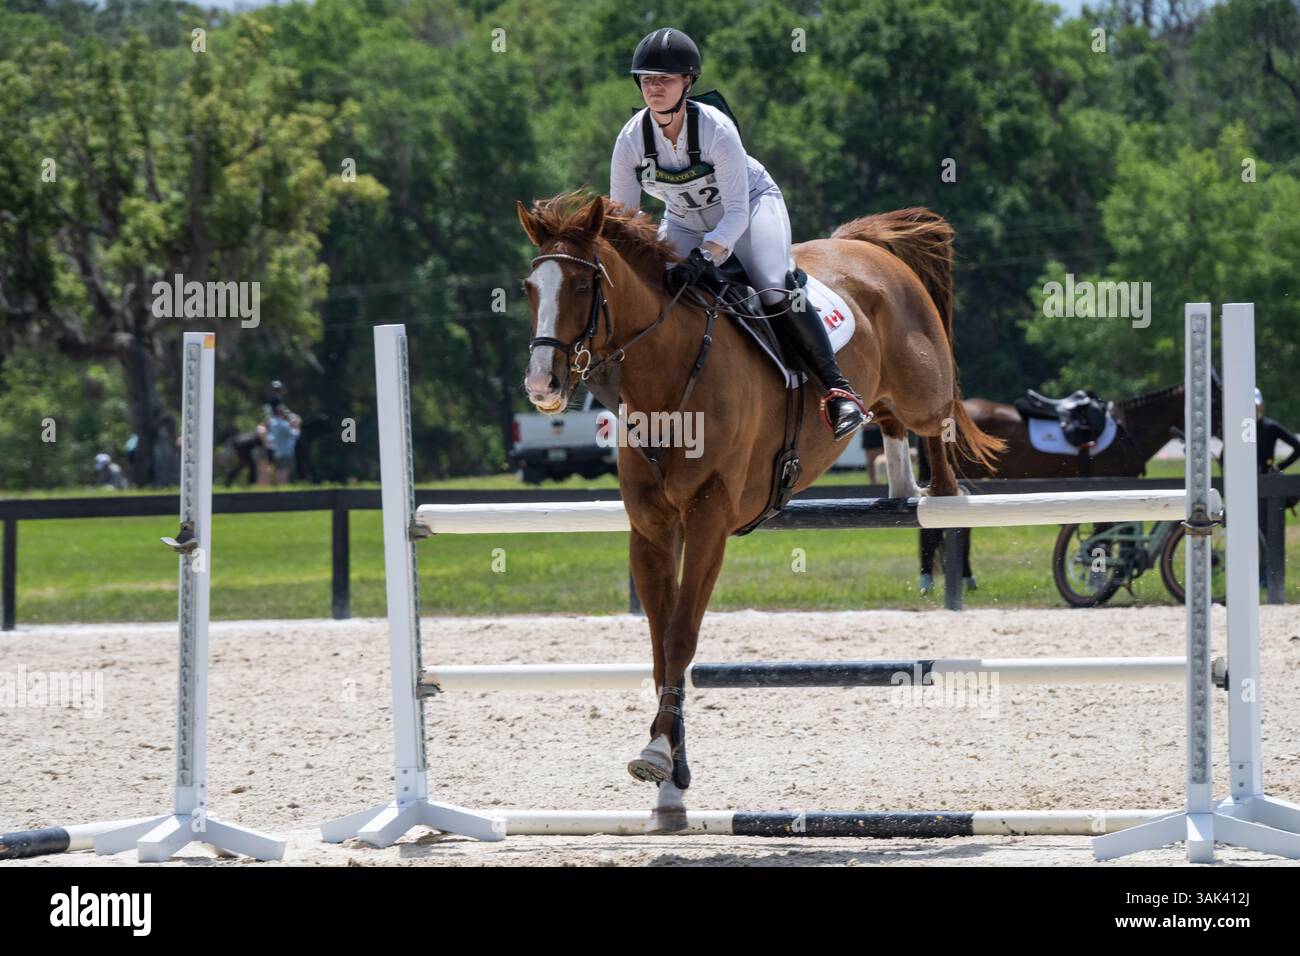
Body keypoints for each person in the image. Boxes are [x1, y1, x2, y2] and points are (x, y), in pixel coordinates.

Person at [609, 27, 865, 439]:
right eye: (647, 79)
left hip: (749, 208)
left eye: (665, 79)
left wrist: (705, 256)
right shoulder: (630, 140)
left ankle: (839, 391)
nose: (654, 87)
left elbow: (735, 212)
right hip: (682, 220)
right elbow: (625, 219)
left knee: (773, 287)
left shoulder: (716, 129)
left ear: (687, 83)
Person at [264, 401, 301, 486]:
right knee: (285, 472)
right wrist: (297, 425)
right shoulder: (284, 424)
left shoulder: (272, 423)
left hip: (277, 452)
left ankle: (280, 489)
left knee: (279, 472)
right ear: (281, 413)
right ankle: (284, 491)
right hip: (286, 452)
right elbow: (296, 435)